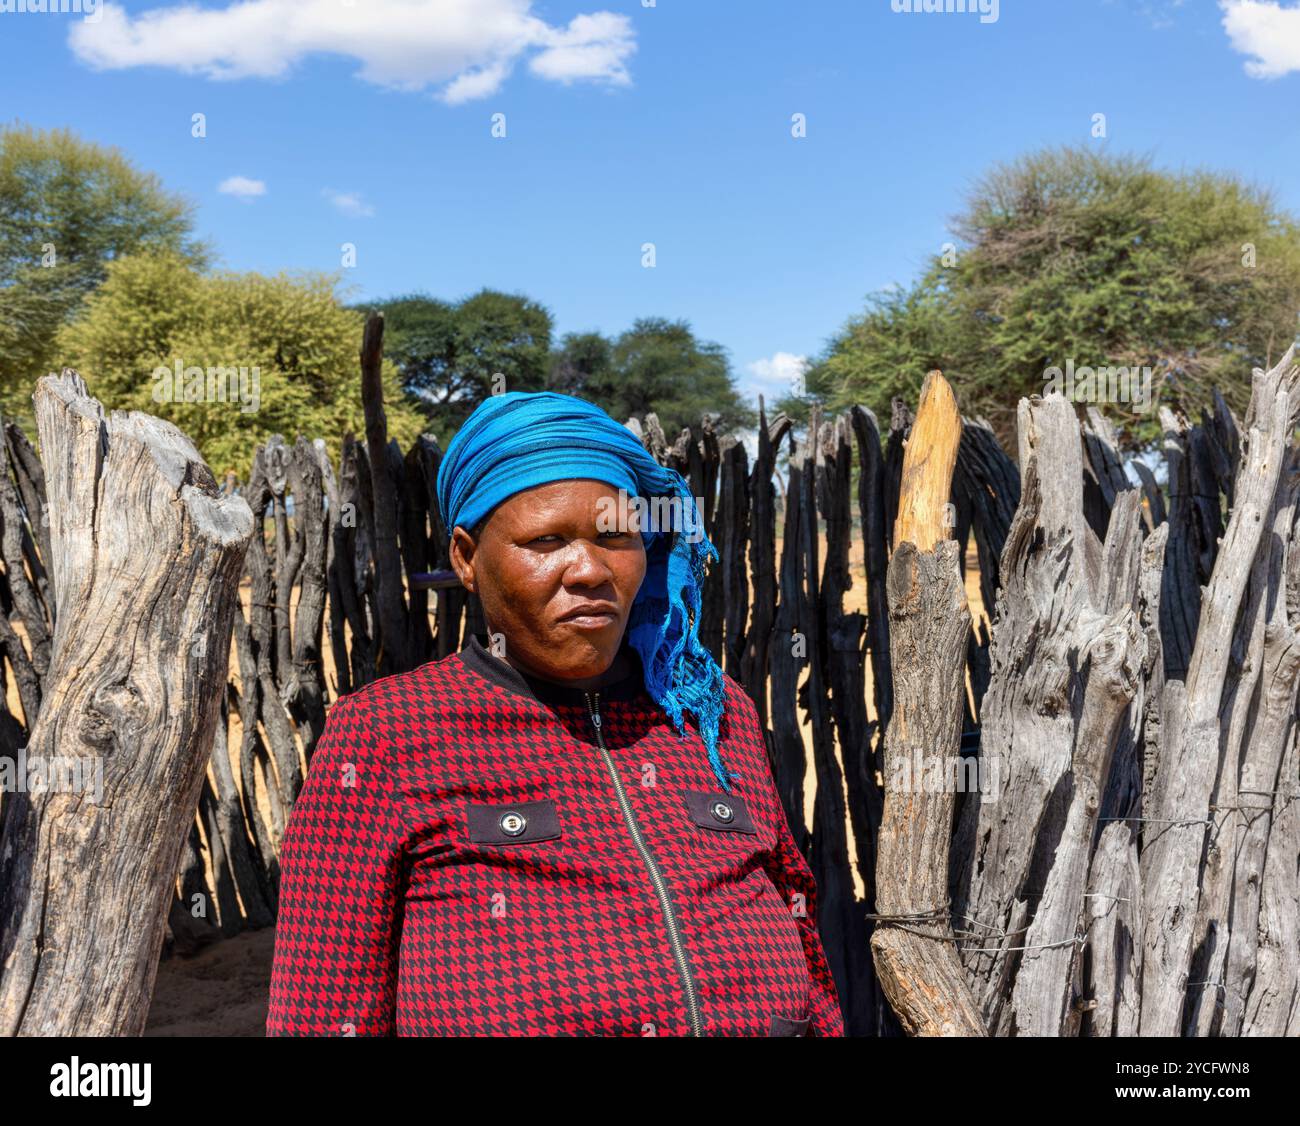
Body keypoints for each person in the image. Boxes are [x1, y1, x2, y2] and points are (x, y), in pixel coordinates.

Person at [265, 390, 844, 1036]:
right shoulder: (388, 737)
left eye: (614, 537)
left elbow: (807, 954)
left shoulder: (709, 715)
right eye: (547, 540)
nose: (590, 570)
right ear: (466, 558)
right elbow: (320, 1016)